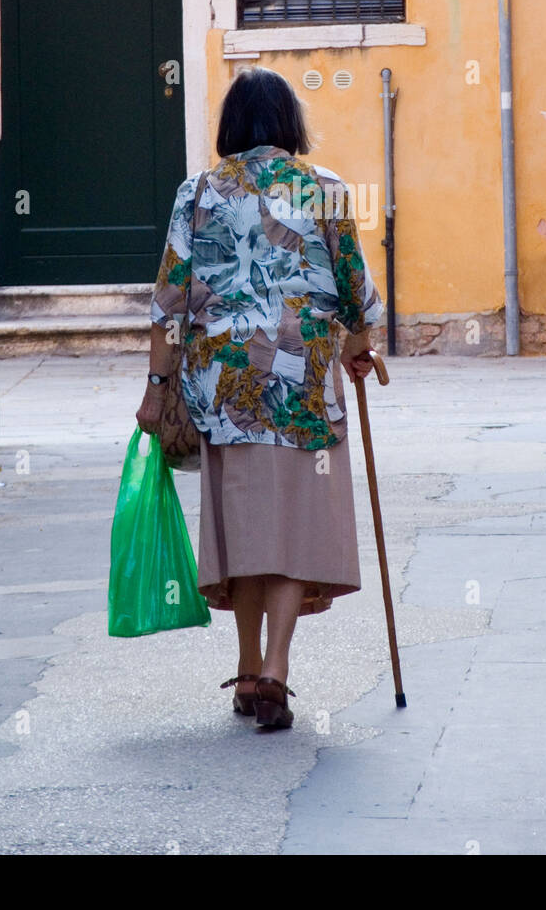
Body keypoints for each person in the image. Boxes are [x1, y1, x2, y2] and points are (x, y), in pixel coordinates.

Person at [136, 66, 384, 730]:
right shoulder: (326, 191)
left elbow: (168, 304)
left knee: (244, 528)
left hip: (227, 388)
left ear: (231, 125)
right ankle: (274, 668)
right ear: (288, 124)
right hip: (302, 384)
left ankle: (249, 672)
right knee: (292, 529)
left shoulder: (198, 194)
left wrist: (156, 389)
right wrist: (359, 346)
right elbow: (355, 290)